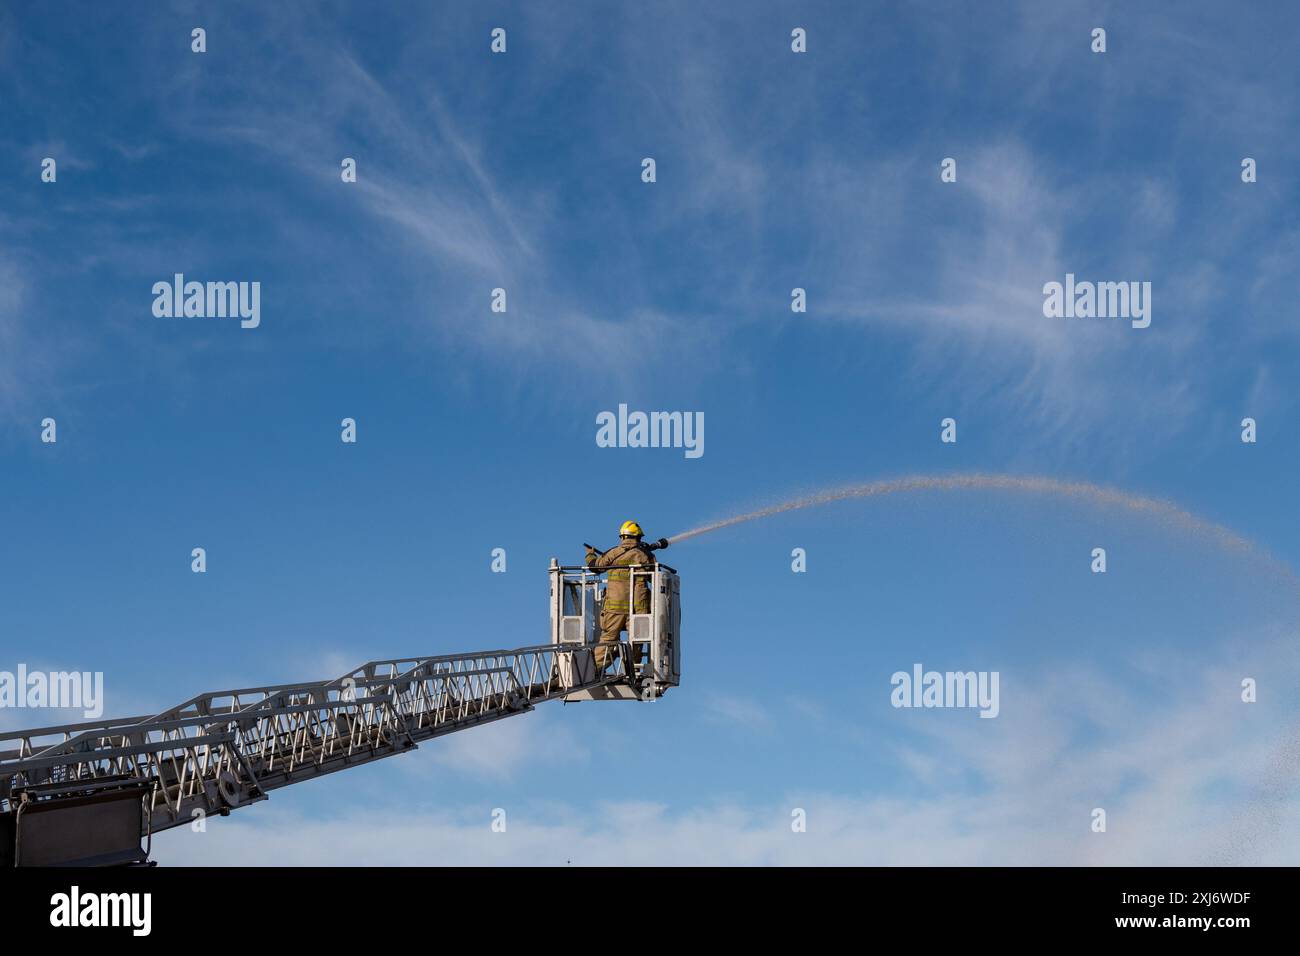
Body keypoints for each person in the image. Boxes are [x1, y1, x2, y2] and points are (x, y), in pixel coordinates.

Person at [585, 520, 661, 672]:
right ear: (638, 538)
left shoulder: (613, 553)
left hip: (614, 607)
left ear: (622, 537)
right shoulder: (645, 555)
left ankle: (594, 670)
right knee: (637, 639)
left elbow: (595, 567)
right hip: (638, 608)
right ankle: (632, 670)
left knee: (608, 638)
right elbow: (655, 577)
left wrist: (590, 554)